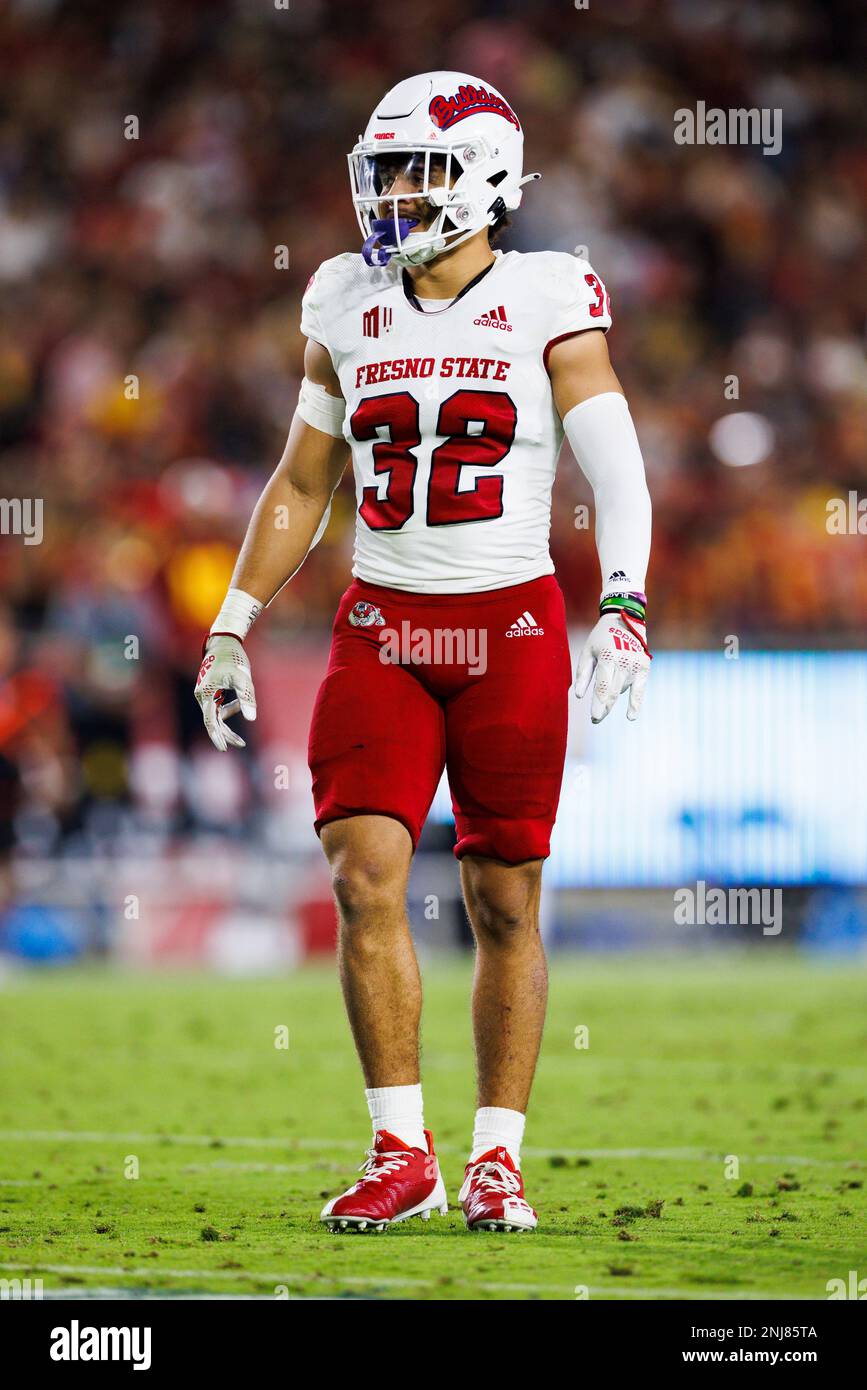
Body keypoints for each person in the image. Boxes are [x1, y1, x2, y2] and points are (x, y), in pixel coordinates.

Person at [195, 71, 652, 1233]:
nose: (394, 195)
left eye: (419, 171)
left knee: (504, 899)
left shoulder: (551, 290)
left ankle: (499, 1156)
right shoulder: (345, 294)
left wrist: (627, 597)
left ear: (489, 179)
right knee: (361, 874)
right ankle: (403, 1146)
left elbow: (617, 460)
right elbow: (305, 480)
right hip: (384, 625)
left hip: (506, 627)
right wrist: (233, 621)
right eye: (384, 170)